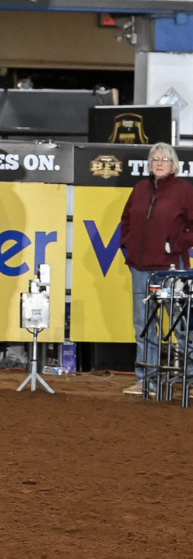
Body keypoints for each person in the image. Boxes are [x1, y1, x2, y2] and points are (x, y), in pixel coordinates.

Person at [120, 142, 193, 396]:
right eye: (154, 159)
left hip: (173, 270)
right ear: (149, 164)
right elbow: (126, 220)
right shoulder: (140, 188)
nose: (159, 163)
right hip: (140, 270)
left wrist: (175, 244)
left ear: (174, 165)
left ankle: (191, 379)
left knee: (181, 325)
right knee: (143, 325)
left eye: (164, 159)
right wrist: (125, 247)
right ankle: (147, 380)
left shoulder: (184, 191)